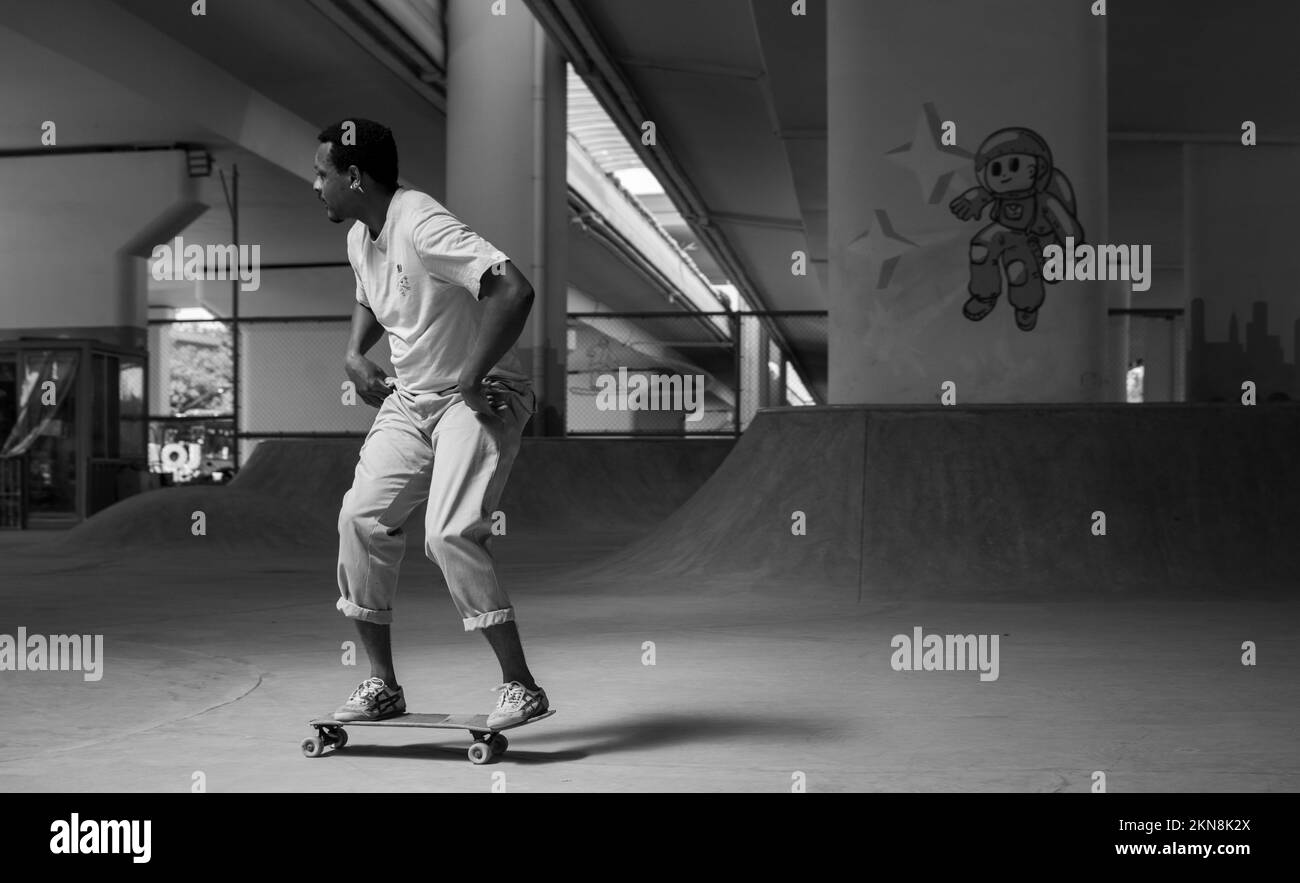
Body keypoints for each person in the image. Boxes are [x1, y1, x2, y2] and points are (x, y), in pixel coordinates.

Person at [312, 118, 547, 727]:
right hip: (410, 401)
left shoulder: (422, 222)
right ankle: (381, 684)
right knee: (359, 521)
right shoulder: (363, 235)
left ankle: (520, 686)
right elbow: (370, 294)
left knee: (447, 533)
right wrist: (352, 354)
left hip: (476, 399)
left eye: (323, 174)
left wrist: (471, 376)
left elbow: (513, 290)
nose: (317, 186)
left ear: (354, 177)